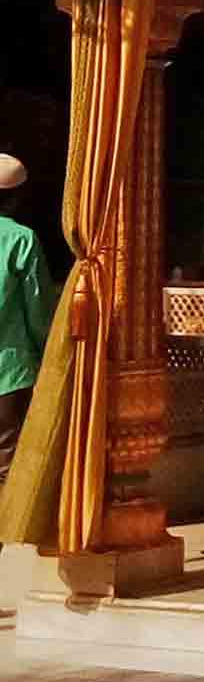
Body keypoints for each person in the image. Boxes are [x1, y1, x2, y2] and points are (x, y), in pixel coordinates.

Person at [0, 157, 57, 467]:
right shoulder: (21, 239)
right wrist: (49, 355)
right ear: (15, 199)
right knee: (7, 463)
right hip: (9, 374)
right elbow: (37, 309)